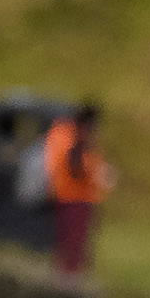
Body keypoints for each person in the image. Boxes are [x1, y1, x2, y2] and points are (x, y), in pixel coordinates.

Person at [41, 100, 110, 277]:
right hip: (76, 197)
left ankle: (64, 281)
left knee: (67, 246)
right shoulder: (75, 136)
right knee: (73, 248)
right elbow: (76, 168)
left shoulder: (59, 134)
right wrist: (97, 172)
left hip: (66, 196)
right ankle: (68, 285)